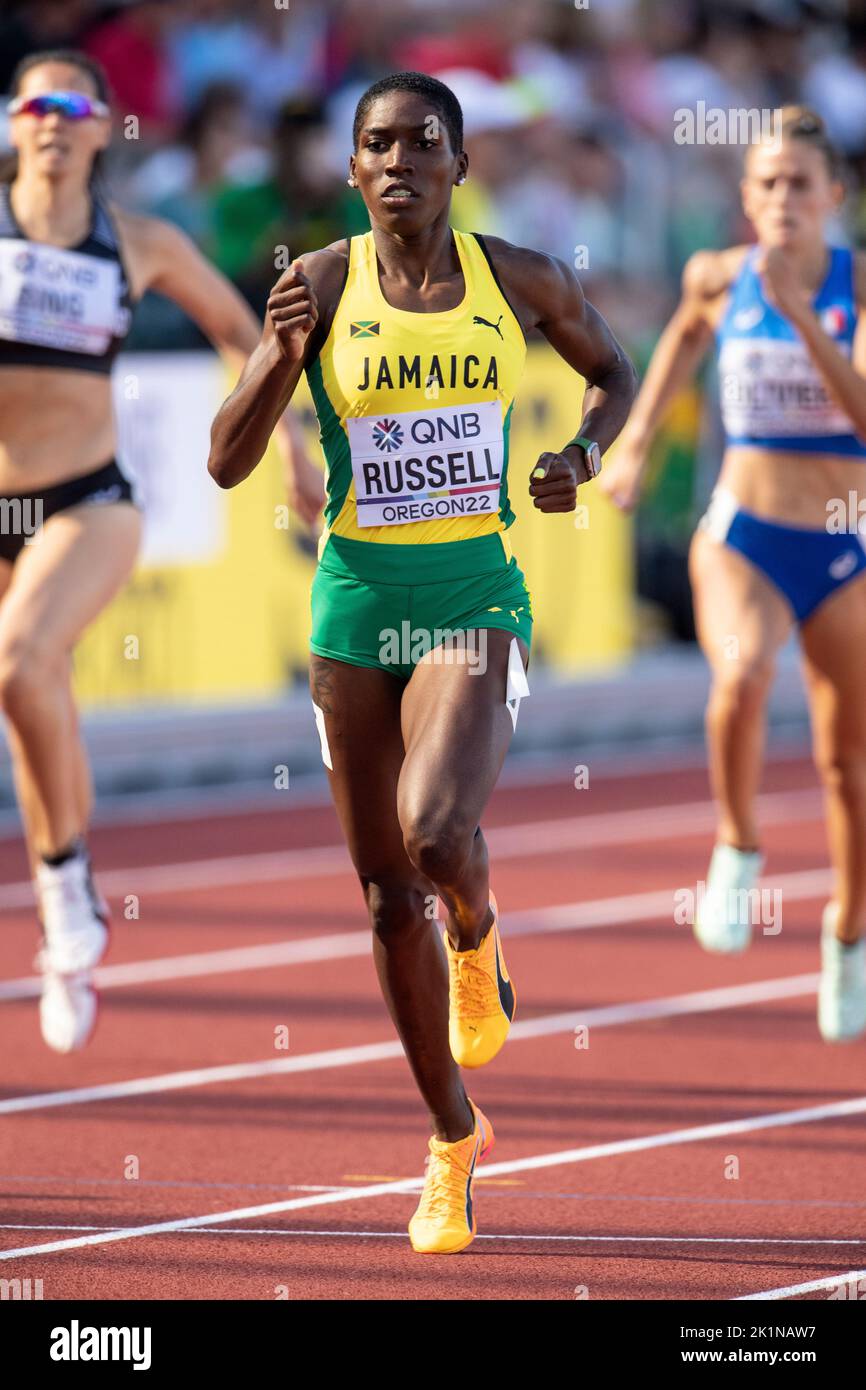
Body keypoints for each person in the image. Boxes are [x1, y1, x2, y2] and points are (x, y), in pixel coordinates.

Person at [209, 71, 635, 1254]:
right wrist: (276, 360)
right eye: (375, 145)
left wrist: (581, 456)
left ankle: (480, 929)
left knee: (436, 834)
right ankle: (453, 1140)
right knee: (382, 893)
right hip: (354, 606)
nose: (398, 161)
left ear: (460, 164)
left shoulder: (520, 279)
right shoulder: (318, 287)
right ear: (351, 171)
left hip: (472, 596)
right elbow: (224, 462)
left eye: (421, 142)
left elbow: (616, 373)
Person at [0, 49, 323, 1055]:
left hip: (86, 500)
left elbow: (247, 334)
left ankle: (61, 904)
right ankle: (74, 880)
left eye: (74, 105)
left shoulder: (136, 242)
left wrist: (296, 447)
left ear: (102, 127)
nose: (53, 120)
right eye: (35, 103)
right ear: (13, 123)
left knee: (22, 662)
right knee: (32, 701)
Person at [601, 107, 866, 1042]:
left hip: (843, 542)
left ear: (834, 193)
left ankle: (847, 934)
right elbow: (678, 340)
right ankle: (738, 848)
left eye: (800, 182)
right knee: (742, 671)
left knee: (847, 763)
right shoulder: (719, 274)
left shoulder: (857, 285)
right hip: (745, 529)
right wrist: (632, 444)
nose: (782, 199)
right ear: (746, 197)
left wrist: (807, 322)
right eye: (766, 184)